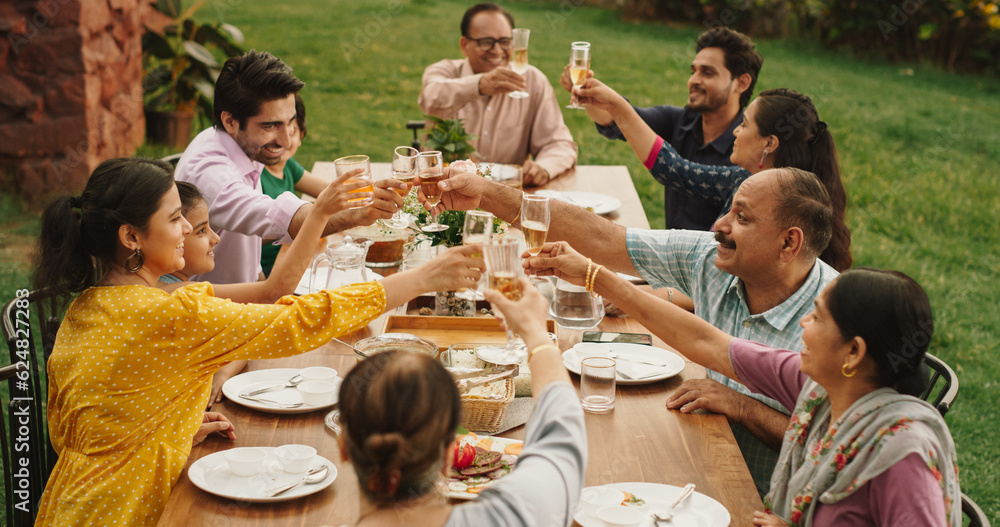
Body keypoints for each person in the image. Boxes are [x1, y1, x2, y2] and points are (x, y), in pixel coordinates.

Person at [33, 157, 485, 526]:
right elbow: (297, 321)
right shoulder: (169, 313)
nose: (190, 230)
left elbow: (75, 426)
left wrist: (168, 433)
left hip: (67, 504)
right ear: (131, 236)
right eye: (175, 219)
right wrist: (420, 278)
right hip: (127, 511)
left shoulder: (86, 308)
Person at [422, 166, 838, 496]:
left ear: (789, 243)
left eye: (741, 217)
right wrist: (488, 194)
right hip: (703, 460)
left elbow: (837, 447)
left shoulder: (837, 325)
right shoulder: (711, 256)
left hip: (773, 503)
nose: (719, 224)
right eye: (729, 209)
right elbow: (603, 237)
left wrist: (744, 408)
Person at [530, 242, 961, 525]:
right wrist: (594, 275)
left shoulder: (902, 456)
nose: (803, 327)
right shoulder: (817, 387)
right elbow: (706, 342)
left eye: (817, 318)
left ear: (854, 353)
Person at [337, 277, 585, 526]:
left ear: (343, 446)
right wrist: (536, 334)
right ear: (448, 454)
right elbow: (561, 436)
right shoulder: (515, 517)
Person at [175, 49, 405, 284]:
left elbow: (249, 253)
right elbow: (278, 216)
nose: (285, 142)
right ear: (230, 121)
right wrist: (357, 214)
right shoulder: (211, 175)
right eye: (271, 125)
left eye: (290, 122)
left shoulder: (240, 145)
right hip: (212, 313)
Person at [575, 81, 852, 272]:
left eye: (744, 125)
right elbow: (676, 171)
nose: (736, 131)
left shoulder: (785, 210)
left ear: (769, 143)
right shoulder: (742, 180)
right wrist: (616, 107)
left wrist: (617, 105)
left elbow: (724, 284)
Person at [159, 175, 361, 407]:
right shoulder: (174, 293)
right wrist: (319, 214)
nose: (216, 239)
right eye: (201, 231)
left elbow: (245, 337)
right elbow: (272, 293)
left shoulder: (176, 287)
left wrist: (224, 372)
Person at [561, 27, 762, 231]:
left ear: (741, 82)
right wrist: (587, 96)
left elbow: (672, 168)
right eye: (693, 71)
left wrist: (615, 104)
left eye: (707, 73)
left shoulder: (747, 152)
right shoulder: (678, 120)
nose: (693, 81)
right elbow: (619, 122)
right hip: (667, 253)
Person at [418, 2, 578, 186]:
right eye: (486, 42)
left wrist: (544, 167)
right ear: (464, 45)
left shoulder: (532, 81)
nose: (497, 50)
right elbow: (431, 96)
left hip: (505, 196)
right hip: (445, 191)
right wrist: (480, 85)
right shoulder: (443, 72)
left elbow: (560, 144)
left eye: (505, 42)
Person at [259, 94, 327, 277]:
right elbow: (256, 234)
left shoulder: (288, 165)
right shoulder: (258, 176)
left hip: (285, 255)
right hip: (266, 269)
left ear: (301, 136)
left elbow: (325, 190)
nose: (284, 141)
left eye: (291, 133)